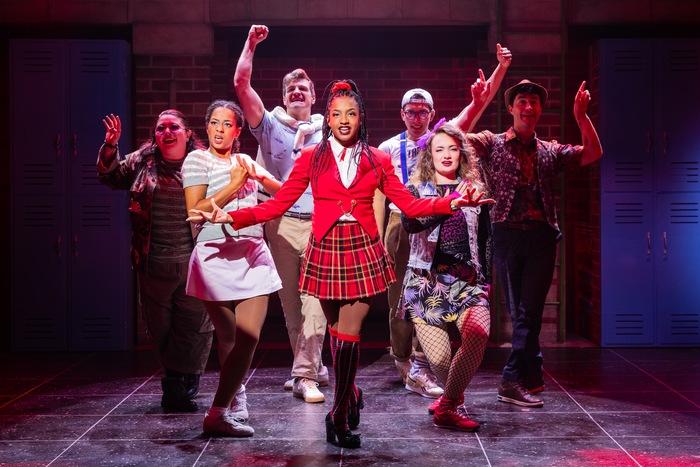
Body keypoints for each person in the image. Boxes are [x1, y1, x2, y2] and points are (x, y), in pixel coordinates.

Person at [188, 80, 490, 448]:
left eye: (351, 113)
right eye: (336, 114)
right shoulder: (311, 157)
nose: (344, 120)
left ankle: (340, 411)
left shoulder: (377, 159)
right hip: (326, 250)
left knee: (349, 333)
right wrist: (231, 217)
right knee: (336, 333)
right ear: (328, 119)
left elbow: (410, 206)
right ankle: (350, 391)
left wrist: (452, 202)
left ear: (361, 117)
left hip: (362, 249)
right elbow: (278, 204)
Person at [374, 44, 512, 398]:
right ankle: (403, 360)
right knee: (400, 298)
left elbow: (476, 105)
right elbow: (377, 193)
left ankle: (423, 364)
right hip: (401, 220)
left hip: (442, 216)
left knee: (437, 290)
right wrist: (376, 234)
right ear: (402, 113)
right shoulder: (387, 148)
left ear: (432, 114)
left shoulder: (440, 140)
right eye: (411, 111)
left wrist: (500, 68)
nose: (417, 117)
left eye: (423, 111)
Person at [465, 79, 603, 407]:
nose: (528, 107)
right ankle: (526, 375)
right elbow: (453, 139)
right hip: (506, 235)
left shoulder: (549, 151)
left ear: (540, 109)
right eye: (522, 102)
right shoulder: (493, 143)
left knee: (531, 312)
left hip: (541, 237)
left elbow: (594, 152)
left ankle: (518, 377)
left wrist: (581, 116)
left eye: (534, 102)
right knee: (522, 313)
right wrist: (477, 103)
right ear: (511, 108)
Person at [234, 24, 328, 404]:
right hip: (281, 223)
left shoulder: (330, 130)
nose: (297, 92)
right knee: (291, 304)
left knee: (316, 300)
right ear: (284, 97)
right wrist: (250, 46)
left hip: (320, 223)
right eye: (291, 89)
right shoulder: (271, 126)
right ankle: (311, 367)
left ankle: (305, 374)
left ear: (313, 96)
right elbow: (241, 85)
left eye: (303, 87)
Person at [96, 110, 213, 413]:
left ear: (188, 134)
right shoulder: (142, 161)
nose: (167, 132)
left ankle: (183, 379)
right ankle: (175, 379)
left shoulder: (204, 162)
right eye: (161, 128)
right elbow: (109, 176)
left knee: (193, 324)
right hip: (153, 261)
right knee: (159, 325)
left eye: (174, 127)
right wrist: (111, 145)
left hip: (194, 261)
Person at [182, 100, 283, 437]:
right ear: (206, 127)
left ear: (238, 131)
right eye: (214, 122)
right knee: (228, 338)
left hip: (252, 253)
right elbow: (195, 212)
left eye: (227, 124)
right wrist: (234, 184)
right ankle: (230, 405)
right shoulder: (197, 160)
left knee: (248, 337)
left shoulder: (245, 161)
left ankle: (221, 409)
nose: (220, 129)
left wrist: (261, 177)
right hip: (214, 255)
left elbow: (284, 195)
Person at [398, 118, 494, 432]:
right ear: (430, 155)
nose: (446, 155)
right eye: (439, 149)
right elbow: (410, 223)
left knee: (478, 333)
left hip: (468, 281)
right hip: (426, 283)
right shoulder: (416, 189)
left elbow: (485, 238)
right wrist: (450, 204)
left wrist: (487, 278)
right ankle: (452, 401)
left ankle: (447, 407)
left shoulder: (475, 188)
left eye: (452, 148)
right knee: (439, 360)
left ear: (461, 153)